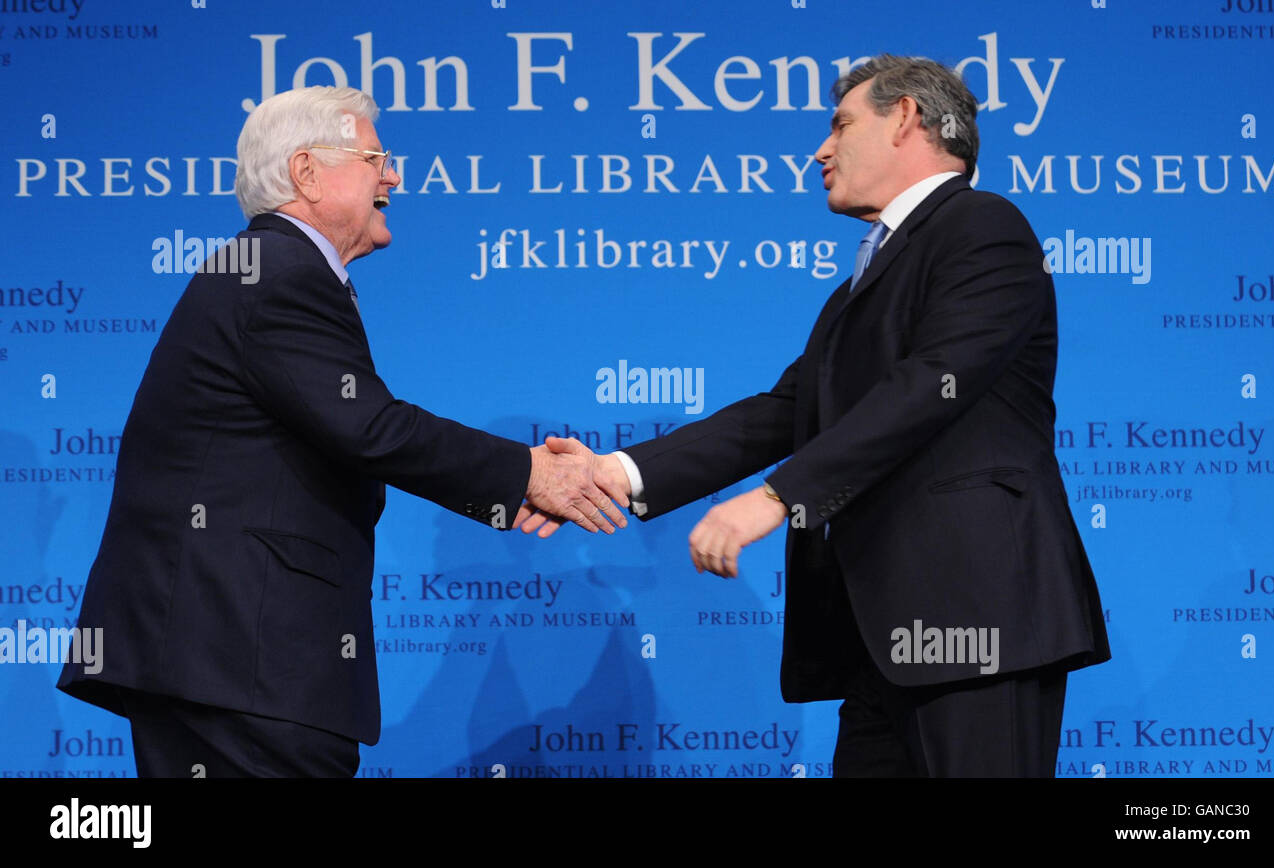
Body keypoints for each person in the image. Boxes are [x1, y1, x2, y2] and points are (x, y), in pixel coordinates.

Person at [523, 55, 1110, 777]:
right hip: (877, 641)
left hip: (974, 624)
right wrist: (613, 472)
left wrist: (777, 498)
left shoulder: (983, 228)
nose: (820, 150)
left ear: (904, 119)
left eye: (840, 125)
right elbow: (785, 413)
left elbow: (932, 386)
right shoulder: (861, 284)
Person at [56, 86, 626, 778]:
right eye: (376, 158)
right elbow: (372, 427)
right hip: (238, 659)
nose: (394, 176)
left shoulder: (268, 269)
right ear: (306, 172)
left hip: (232, 665)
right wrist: (528, 474)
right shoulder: (277, 272)